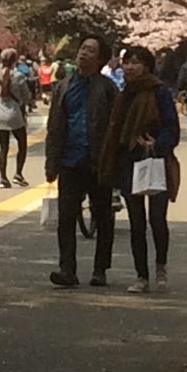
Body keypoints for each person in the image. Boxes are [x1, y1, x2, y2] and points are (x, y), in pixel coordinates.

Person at [100, 47, 178, 294]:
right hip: (129, 161)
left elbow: (172, 127)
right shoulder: (124, 94)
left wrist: (157, 144)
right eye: (126, 62)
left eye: (136, 62)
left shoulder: (159, 92)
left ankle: (161, 266)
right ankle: (141, 275)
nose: (130, 67)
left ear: (147, 65)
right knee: (136, 221)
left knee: (157, 219)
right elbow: (115, 129)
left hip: (156, 161)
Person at [44, 35, 118, 289]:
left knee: (103, 216)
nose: (84, 53)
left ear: (100, 60)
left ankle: (100, 269)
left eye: (91, 51)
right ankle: (67, 269)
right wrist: (51, 162)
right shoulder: (63, 86)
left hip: (98, 161)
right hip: (69, 160)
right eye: (83, 48)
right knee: (66, 216)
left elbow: (115, 125)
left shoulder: (107, 88)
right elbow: (54, 125)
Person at [0, 49, 30, 189]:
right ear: (15, 60)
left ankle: (3, 178)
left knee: (3, 148)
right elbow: (27, 96)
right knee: (22, 145)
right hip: (15, 115)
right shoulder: (18, 76)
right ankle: (18, 174)